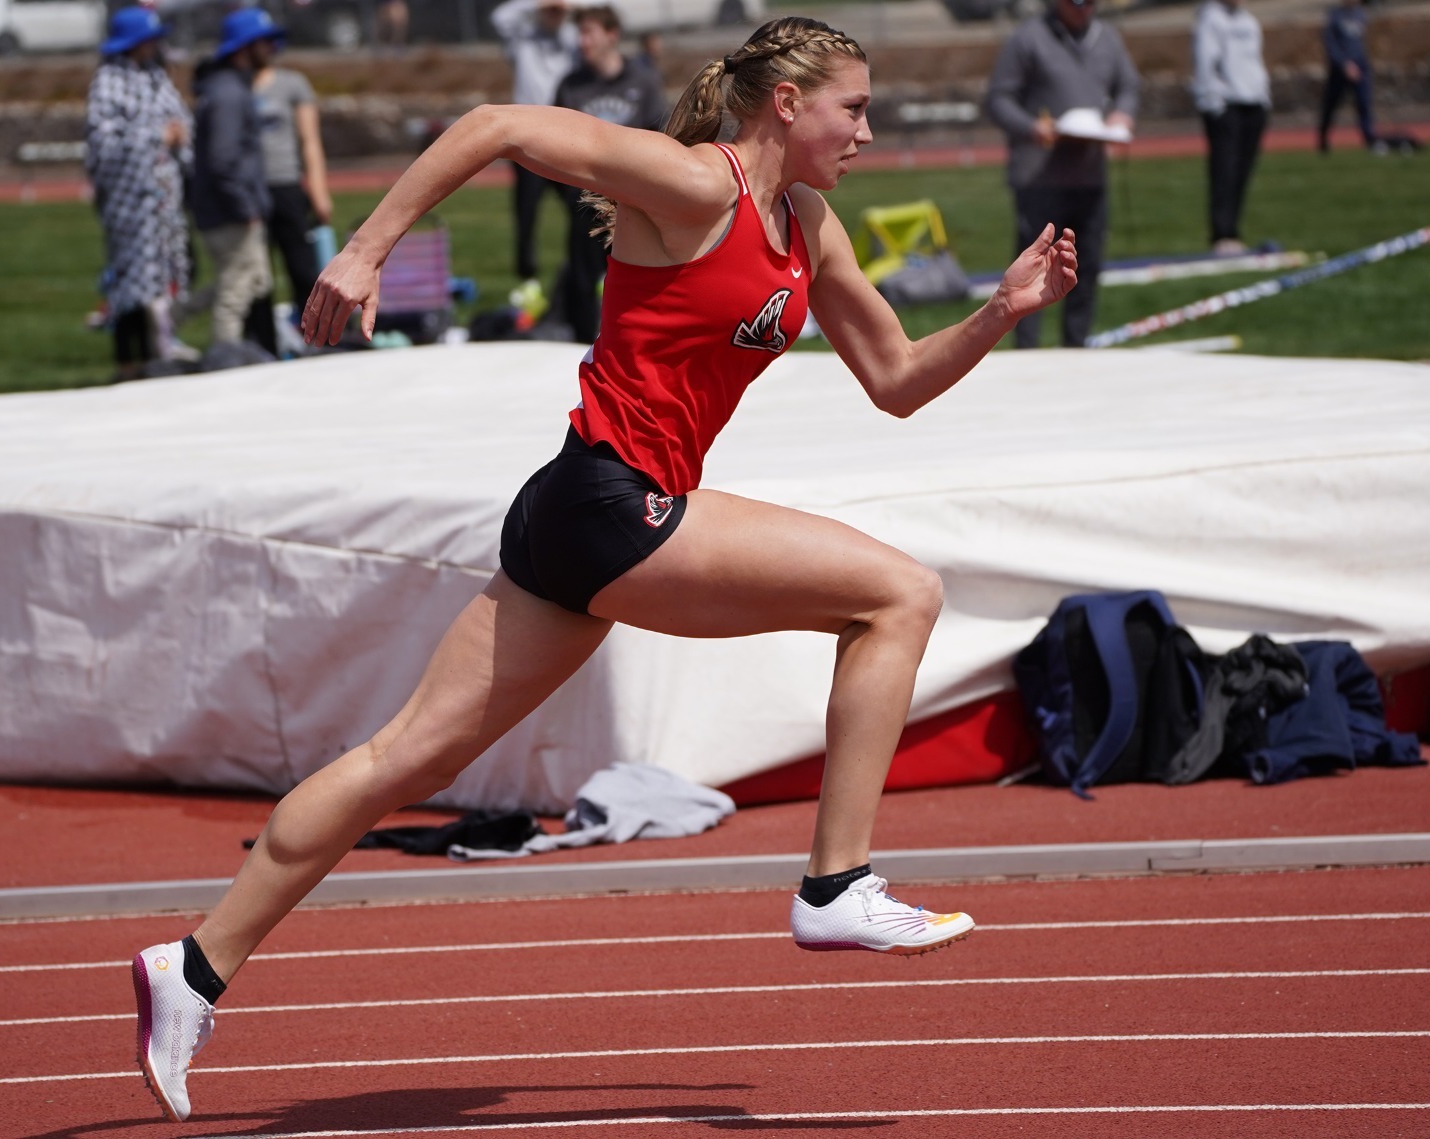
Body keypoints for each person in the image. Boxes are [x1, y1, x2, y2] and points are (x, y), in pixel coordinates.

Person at [130, 16, 1079, 1124]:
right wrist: (364, 248)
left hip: (575, 514)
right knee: (897, 593)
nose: (867, 130)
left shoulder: (807, 225)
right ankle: (834, 885)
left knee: (396, 759)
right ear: (786, 103)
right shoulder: (689, 183)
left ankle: (190, 969)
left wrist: (1000, 312)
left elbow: (897, 377)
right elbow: (492, 125)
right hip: (608, 502)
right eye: (854, 107)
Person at [984, 0, 1136, 349]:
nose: (1084, 9)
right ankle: (1026, 351)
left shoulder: (1108, 38)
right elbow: (999, 98)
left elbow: (1128, 86)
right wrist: (1031, 127)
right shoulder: (1028, 39)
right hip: (1039, 177)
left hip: (1090, 175)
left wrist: (1121, 117)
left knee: (1086, 265)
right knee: (1030, 272)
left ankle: (1077, 346)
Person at [87, 7, 193, 382]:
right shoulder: (109, 81)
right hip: (129, 200)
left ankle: (158, 349)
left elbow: (180, 119)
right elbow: (104, 142)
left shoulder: (156, 78)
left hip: (164, 198)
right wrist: (155, 138)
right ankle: (128, 359)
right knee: (131, 277)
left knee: (164, 276)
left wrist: (180, 137)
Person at [550, 4, 667, 342]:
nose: (582, 42)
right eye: (580, 34)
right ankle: (582, 341)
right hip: (585, 201)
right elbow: (554, 141)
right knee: (583, 279)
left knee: (638, 277)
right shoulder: (571, 86)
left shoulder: (642, 82)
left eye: (589, 33)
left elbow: (660, 136)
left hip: (633, 202)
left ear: (612, 35)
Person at [187, 7, 279, 353]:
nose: (271, 49)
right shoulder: (228, 93)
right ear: (243, 48)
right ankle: (223, 357)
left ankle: (174, 315)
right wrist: (245, 206)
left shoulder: (229, 88)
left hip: (232, 206)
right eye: (264, 42)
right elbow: (223, 160)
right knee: (236, 290)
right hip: (229, 211)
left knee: (253, 280)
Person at [243, 30, 332, 355]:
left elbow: (310, 141)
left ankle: (319, 338)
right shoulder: (234, 86)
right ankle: (262, 345)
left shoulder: (292, 83)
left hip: (287, 188)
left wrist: (319, 191)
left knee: (303, 269)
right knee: (256, 276)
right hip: (250, 193)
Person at [492, 0, 580, 293]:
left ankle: (585, 267)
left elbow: (606, 11)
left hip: (564, 134)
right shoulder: (523, 37)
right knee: (526, 211)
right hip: (527, 134)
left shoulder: (572, 38)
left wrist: (566, 5)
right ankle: (527, 277)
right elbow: (500, 17)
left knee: (582, 207)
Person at [1193, 0, 1270, 254]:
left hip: (1253, 104)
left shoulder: (1247, 21)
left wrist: (1263, 97)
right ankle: (1222, 233)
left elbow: (1255, 62)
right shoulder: (1210, 18)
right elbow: (1205, 63)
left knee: (1242, 171)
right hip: (1226, 106)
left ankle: (1234, 230)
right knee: (1225, 169)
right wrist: (1214, 103)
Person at [1318, 0, 1376, 154]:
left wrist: (1360, 64)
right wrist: (1344, 64)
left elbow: (1360, 44)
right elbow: (1331, 44)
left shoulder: (1360, 15)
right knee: (1331, 105)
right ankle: (1323, 140)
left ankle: (1369, 138)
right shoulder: (1335, 16)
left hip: (1360, 66)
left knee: (1363, 103)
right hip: (1340, 69)